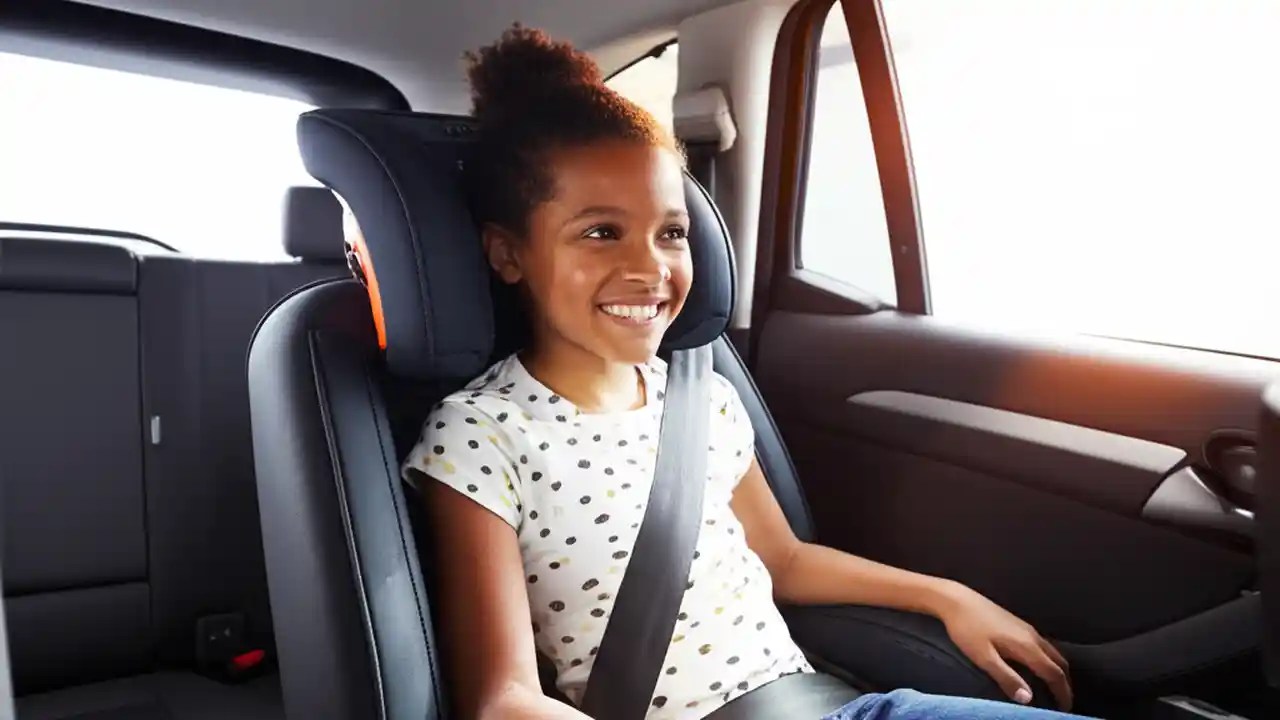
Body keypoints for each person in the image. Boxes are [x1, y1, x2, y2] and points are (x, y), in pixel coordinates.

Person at [400, 25, 1093, 720]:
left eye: (670, 232)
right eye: (600, 232)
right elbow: (503, 700)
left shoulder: (704, 398)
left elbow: (785, 560)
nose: (650, 268)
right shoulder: (481, 435)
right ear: (507, 254)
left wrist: (947, 595)